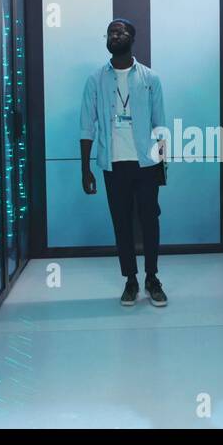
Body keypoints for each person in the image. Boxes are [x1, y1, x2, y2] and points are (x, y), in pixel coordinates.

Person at [79, 19, 169, 307]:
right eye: (110, 32)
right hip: (113, 164)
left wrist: (163, 166)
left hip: (146, 164)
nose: (114, 35)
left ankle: (152, 278)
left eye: (120, 31)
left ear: (132, 37)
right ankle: (130, 280)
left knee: (149, 222)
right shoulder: (96, 80)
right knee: (122, 224)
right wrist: (85, 169)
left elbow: (160, 123)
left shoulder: (150, 78)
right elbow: (86, 126)